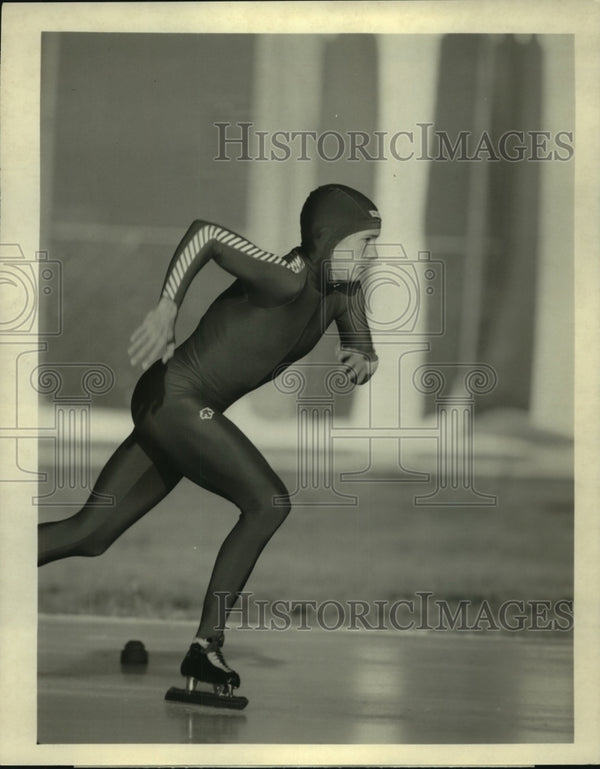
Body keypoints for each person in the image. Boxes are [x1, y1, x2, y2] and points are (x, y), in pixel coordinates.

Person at [38, 183, 381, 706]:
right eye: (363, 245)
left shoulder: (342, 293)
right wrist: (166, 307)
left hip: (177, 409)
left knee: (90, 533)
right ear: (325, 242)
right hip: (175, 399)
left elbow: (358, 336)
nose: (373, 256)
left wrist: (365, 358)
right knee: (268, 501)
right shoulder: (288, 277)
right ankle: (206, 645)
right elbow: (208, 234)